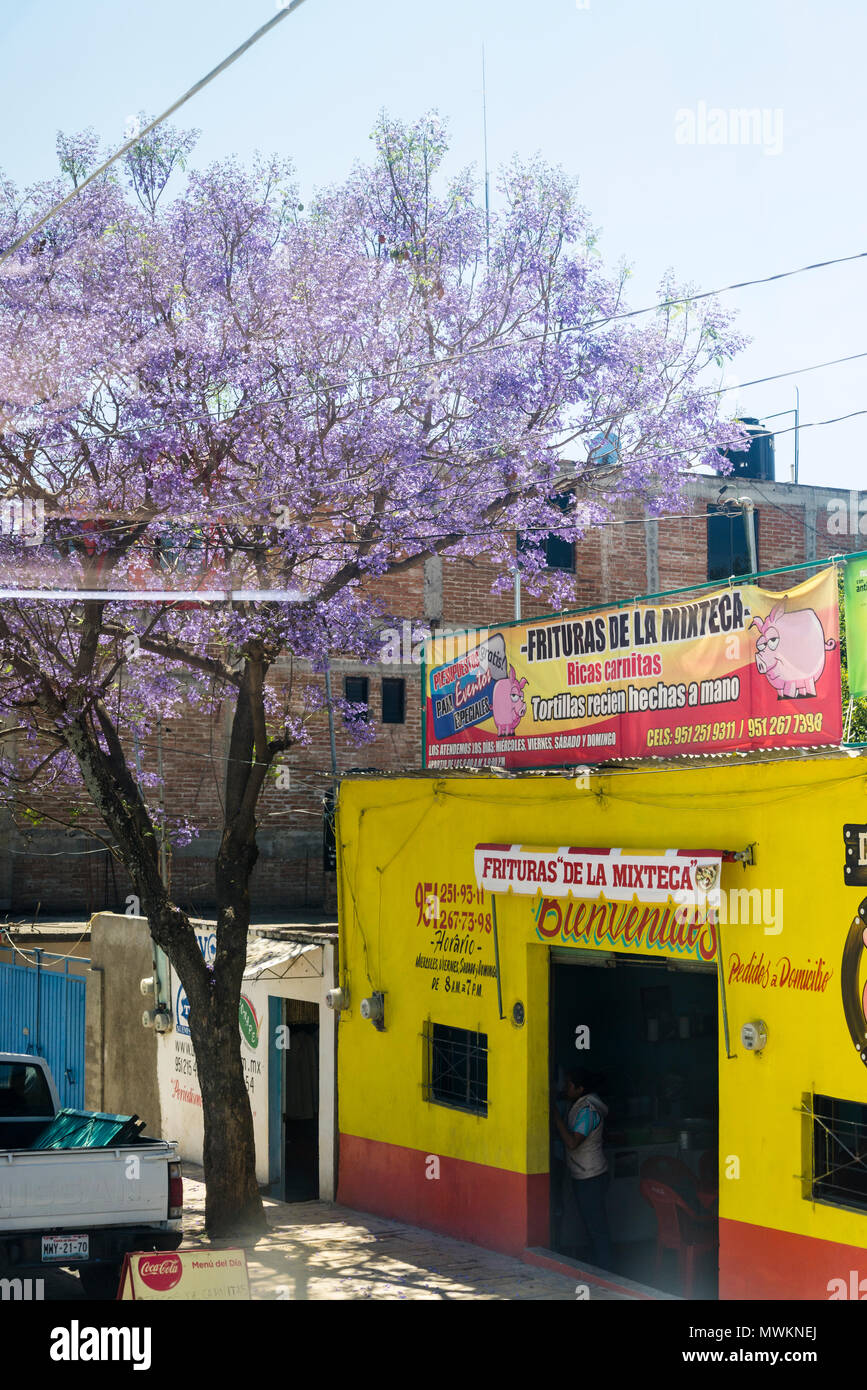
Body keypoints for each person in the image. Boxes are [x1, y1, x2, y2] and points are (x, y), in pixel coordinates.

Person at [552, 1066, 613, 1271]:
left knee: (597, 1228)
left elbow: (572, 1142)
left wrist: (556, 1117)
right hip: (586, 1174)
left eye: (569, 1084)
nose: (565, 1087)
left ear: (580, 1089)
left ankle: (606, 1271)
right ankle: (600, 1269)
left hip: (591, 1176)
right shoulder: (580, 1105)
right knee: (592, 1225)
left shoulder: (588, 1111)